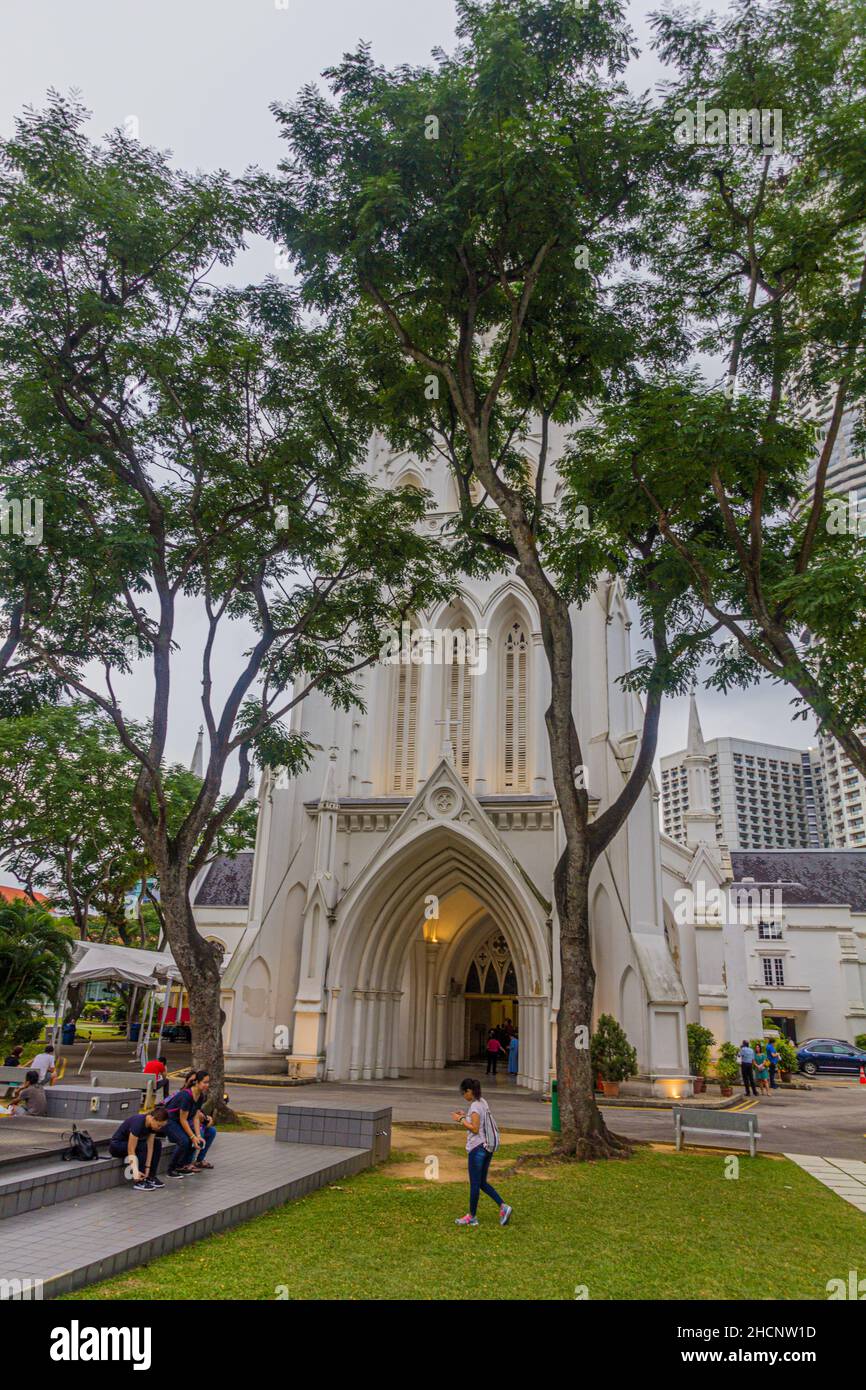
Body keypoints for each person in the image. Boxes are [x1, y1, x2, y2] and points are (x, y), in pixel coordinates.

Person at [451, 1078, 512, 1228]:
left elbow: (474, 1128)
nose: (463, 1096)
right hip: (486, 1147)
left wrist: (460, 1119)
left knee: (475, 1184)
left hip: (476, 1148)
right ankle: (503, 1207)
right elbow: (478, 1122)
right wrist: (466, 1116)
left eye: (463, 1093)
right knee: (482, 1183)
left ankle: (471, 1216)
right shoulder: (483, 1102)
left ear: (469, 1091)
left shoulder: (475, 1107)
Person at [109, 1105, 169, 1192]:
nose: (159, 1128)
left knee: (157, 1143)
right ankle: (139, 1181)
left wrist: (148, 1168)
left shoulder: (152, 1126)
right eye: (159, 1125)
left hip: (133, 1145)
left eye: (161, 1126)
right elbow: (131, 1149)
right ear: (152, 1118)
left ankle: (149, 1176)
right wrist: (135, 1171)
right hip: (117, 1146)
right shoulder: (138, 1123)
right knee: (141, 1145)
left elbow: (150, 1147)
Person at [163, 1071, 209, 1176]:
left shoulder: (200, 1096)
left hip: (179, 1122)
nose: (207, 1085)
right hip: (169, 1121)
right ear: (197, 1082)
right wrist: (193, 1136)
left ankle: (181, 1166)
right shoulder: (187, 1096)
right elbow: (183, 1119)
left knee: (192, 1139)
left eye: (208, 1082)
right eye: (204, 1082)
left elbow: (196, 1117)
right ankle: (171, 1170)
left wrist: (197, 1136)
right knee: (184, 1141)